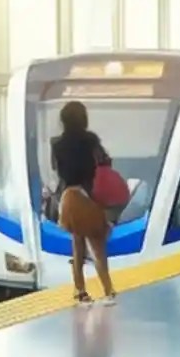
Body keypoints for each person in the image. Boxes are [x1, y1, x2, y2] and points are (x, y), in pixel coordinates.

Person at [50, 101, 117, 306]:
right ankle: (108, 290)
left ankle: (81, 292)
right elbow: (105, 160)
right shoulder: (91, 140)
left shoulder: (56, 144)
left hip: (68, 198)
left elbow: (55, 169)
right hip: (87, 196)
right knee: (97, 244)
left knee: (77, 243)